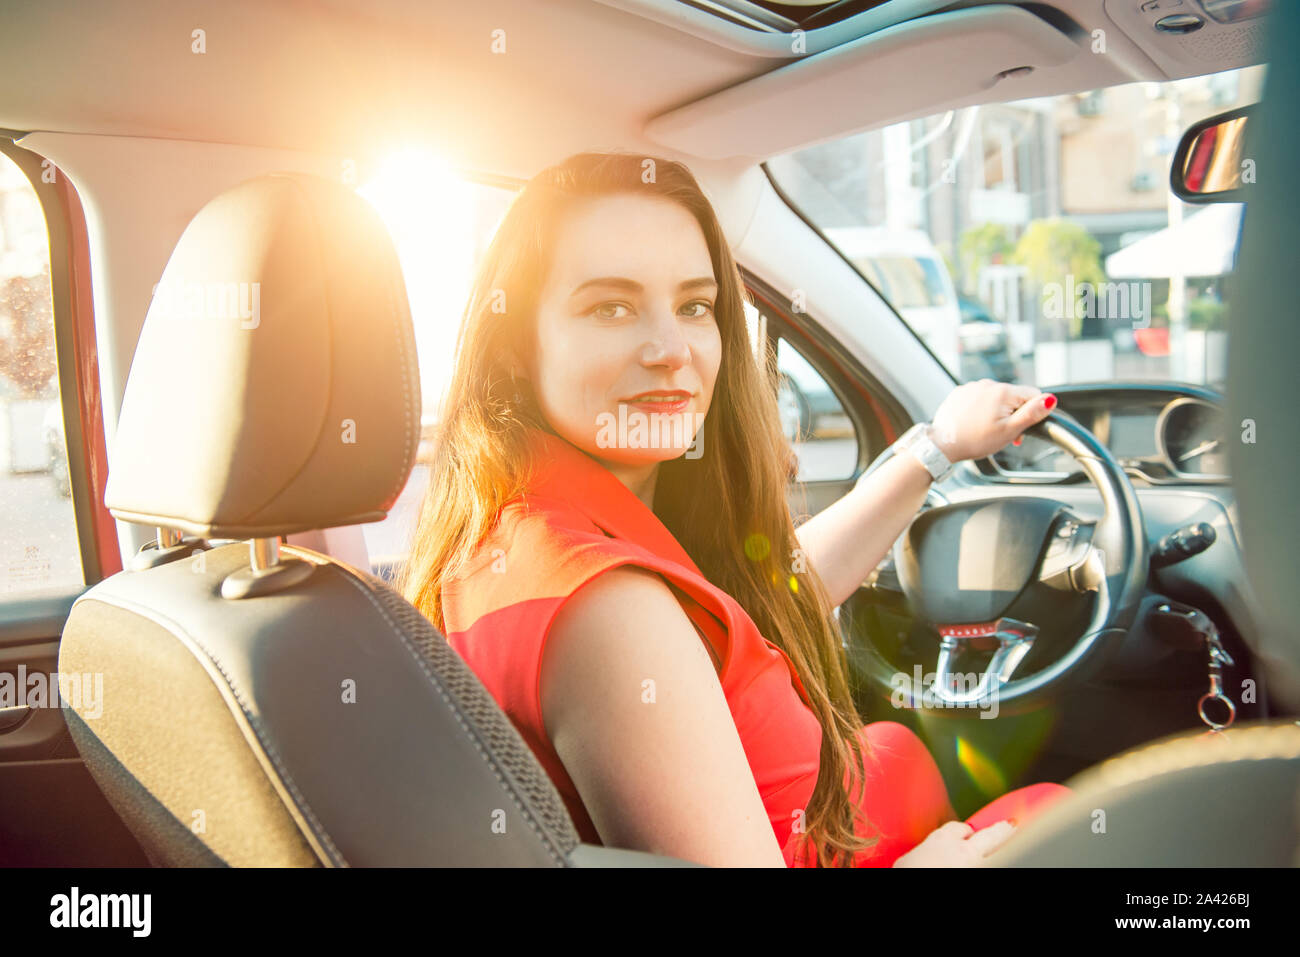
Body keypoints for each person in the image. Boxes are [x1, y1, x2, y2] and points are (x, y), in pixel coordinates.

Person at [398, 151, 1070, 867]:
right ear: (514, 352)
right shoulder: (607, 605)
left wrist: (935, 447)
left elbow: (776, 593)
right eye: (610, 306)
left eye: (694, 305)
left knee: (900, 755)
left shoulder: (516, 524)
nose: (671, 348)